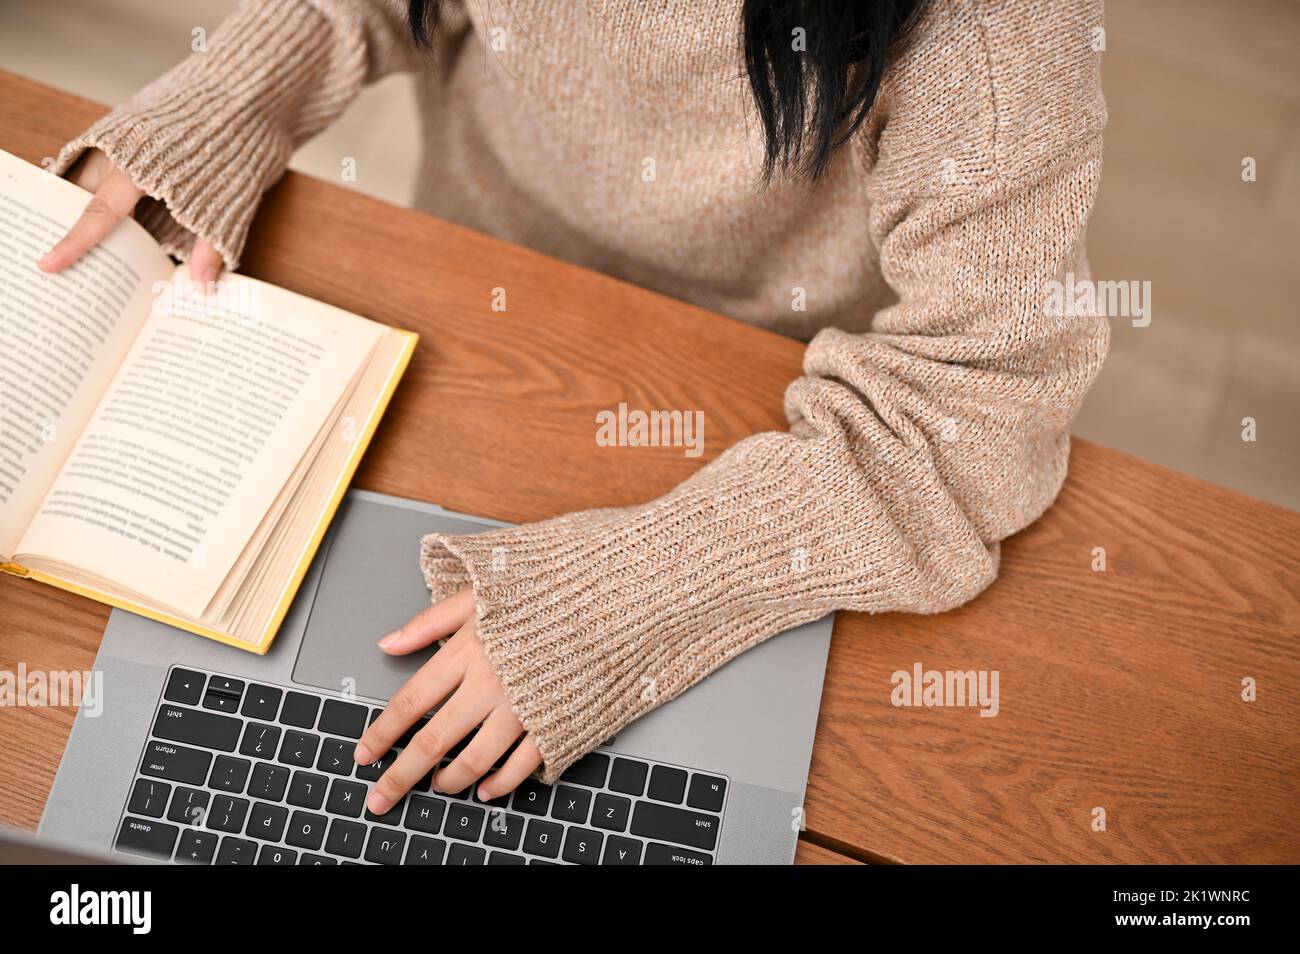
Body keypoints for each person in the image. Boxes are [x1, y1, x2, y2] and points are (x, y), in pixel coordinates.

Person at [38, 0, 1108, 817]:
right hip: (485, 314)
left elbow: (979, 412)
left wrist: (625, 603)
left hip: (774, 415)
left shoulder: (996, 36)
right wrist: (227, 104)